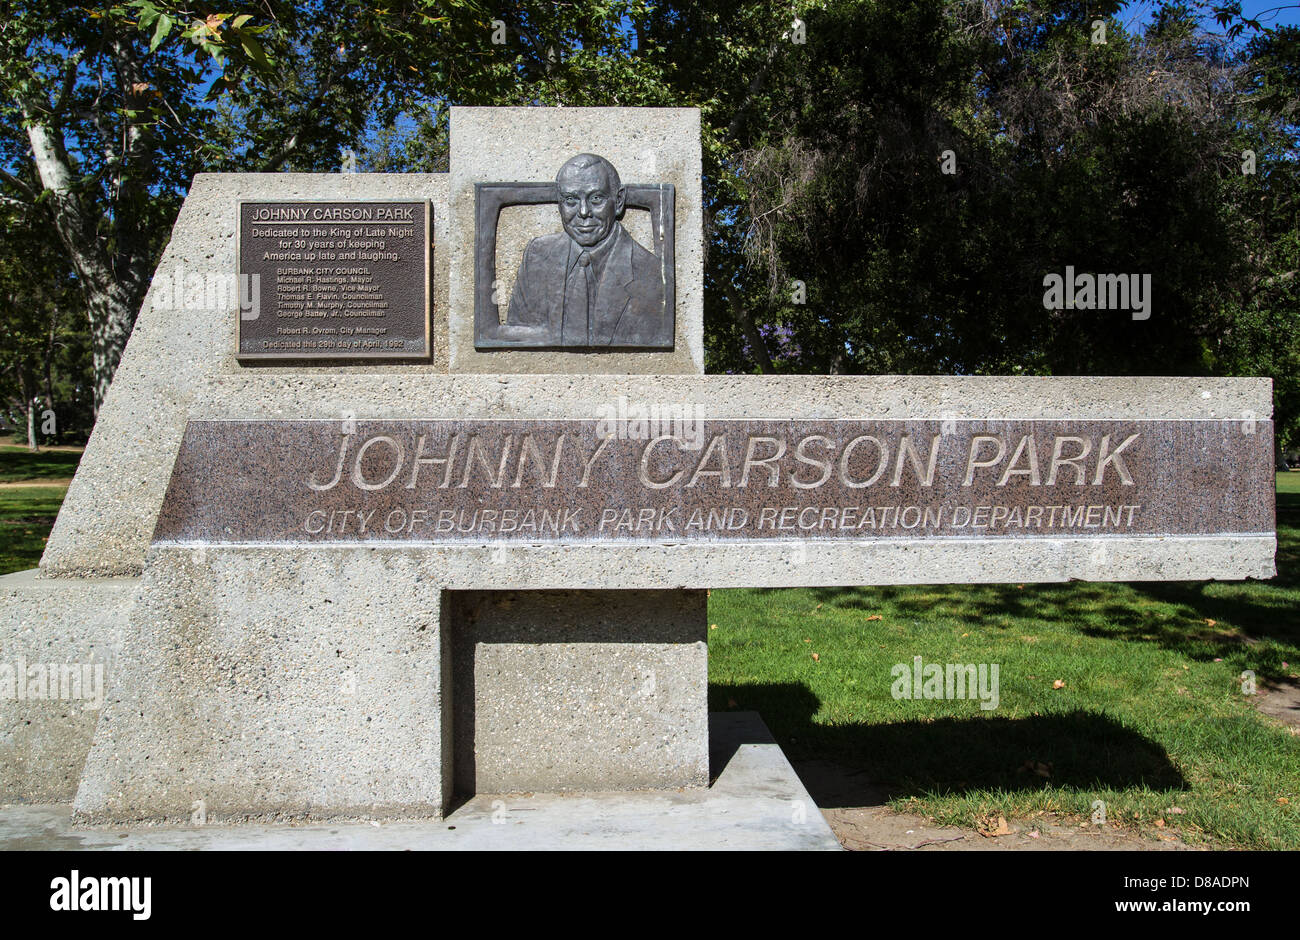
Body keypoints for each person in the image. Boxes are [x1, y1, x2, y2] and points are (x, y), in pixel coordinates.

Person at [493, 153, 669, 347]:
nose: (583, 212)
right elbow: (517, 335)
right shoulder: (537, 255)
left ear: (618, 201)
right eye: (570, 200)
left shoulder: (651, 273)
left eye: (596, 198)